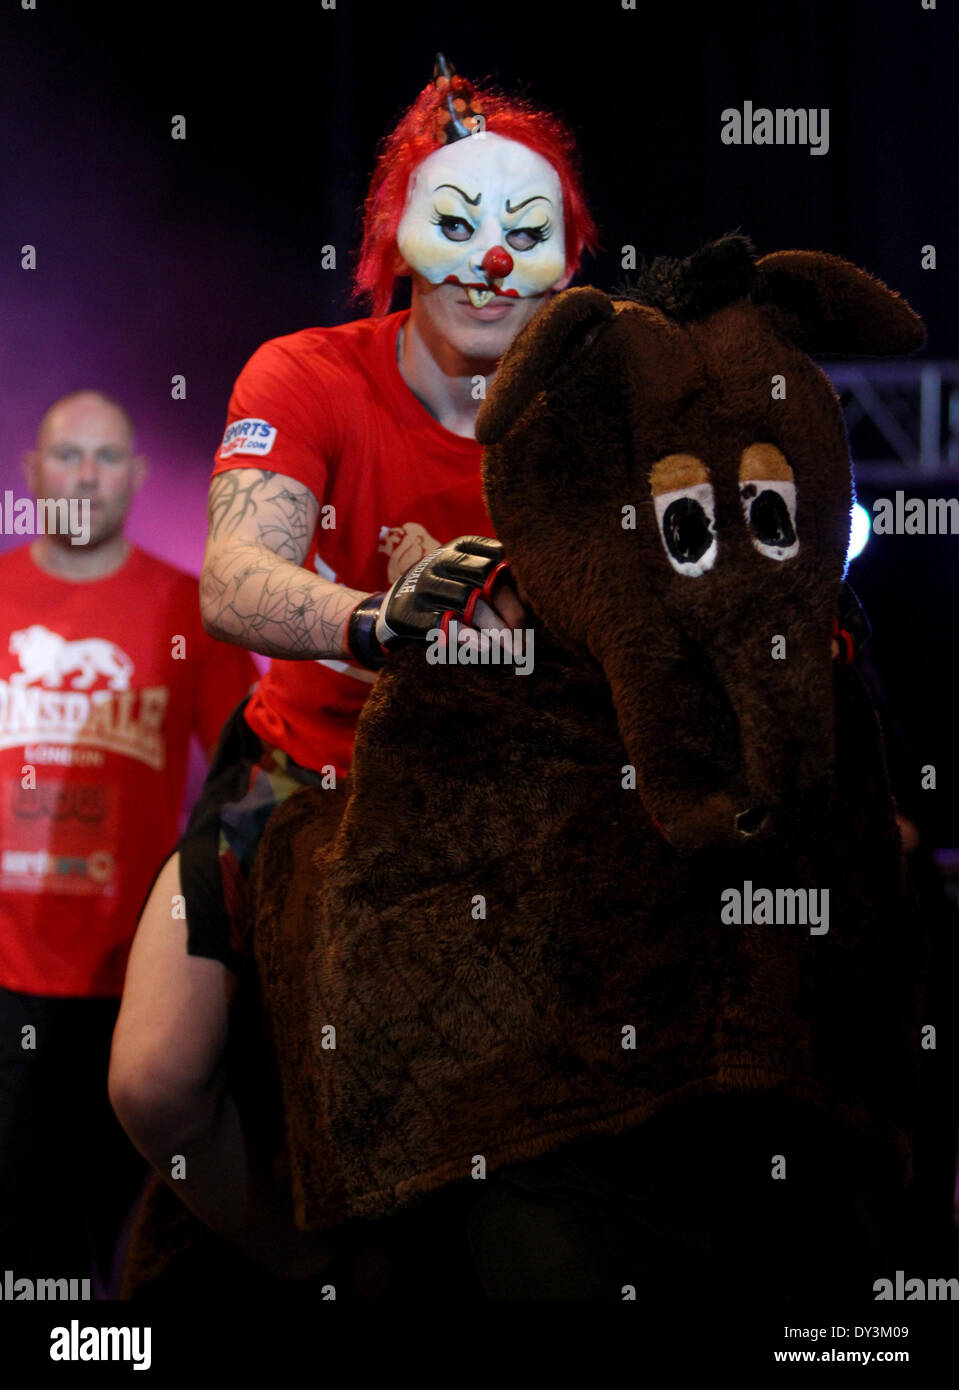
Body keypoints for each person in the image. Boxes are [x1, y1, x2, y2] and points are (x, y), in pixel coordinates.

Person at [108, 54, 600, 1281]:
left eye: (523, 233)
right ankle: (301, 1274)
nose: (489, 265)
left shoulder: (595, 411)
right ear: (397, 235)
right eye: (458, 222)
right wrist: (379, 622)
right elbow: (234, 576)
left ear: (565, 252)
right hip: (301, 765)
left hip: (515, 793)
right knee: (154, 1081)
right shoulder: (305, 372)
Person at [0, 389, 258, 1292]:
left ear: (138, 477)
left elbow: (247, 773)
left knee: (114, 1228)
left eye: (107, 456)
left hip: (129, 980)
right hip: (3, 972)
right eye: (67, 455)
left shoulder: (186, 606)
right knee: (20, 1231)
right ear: (32, 476)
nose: (85, 474)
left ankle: (101, 1348)